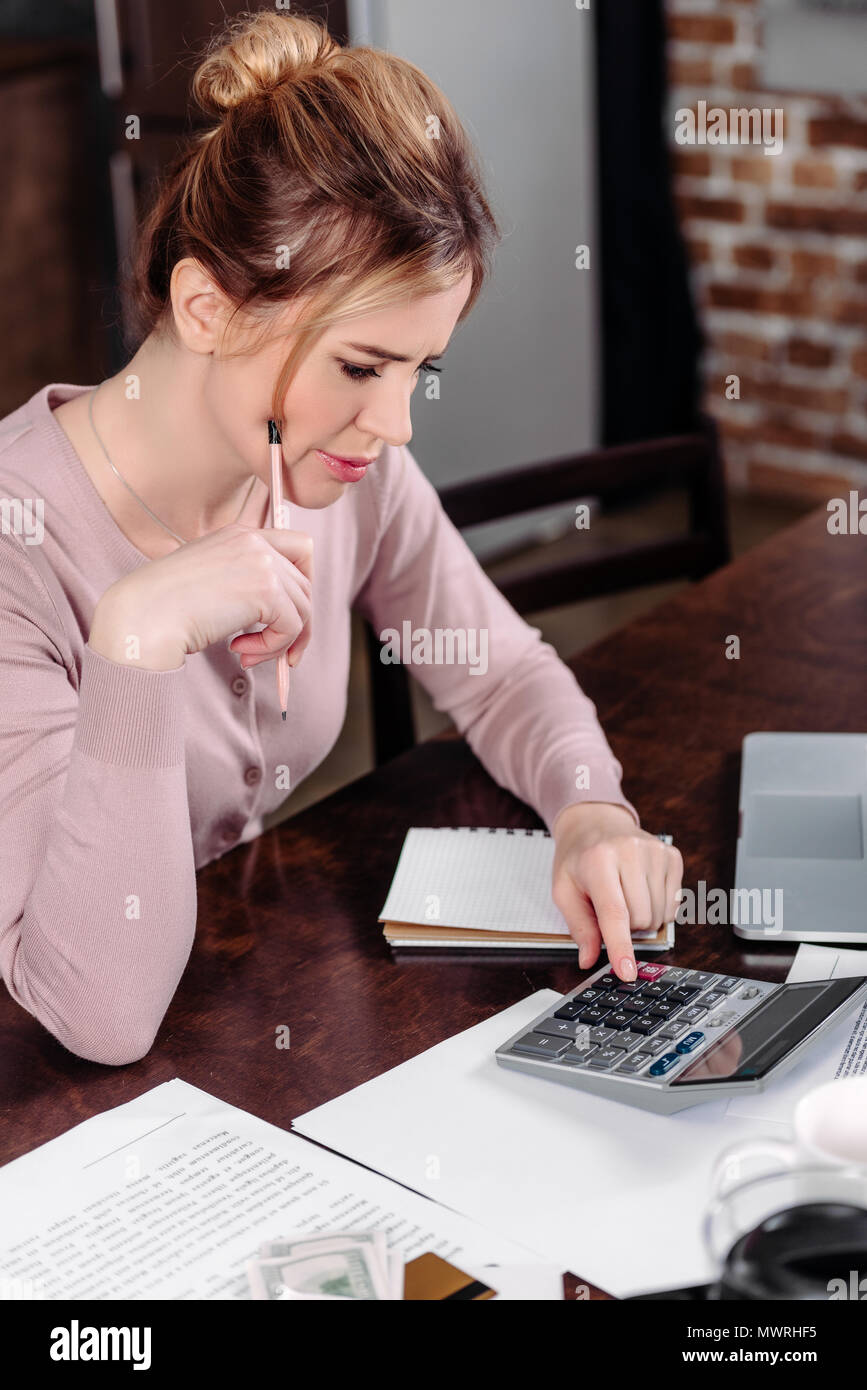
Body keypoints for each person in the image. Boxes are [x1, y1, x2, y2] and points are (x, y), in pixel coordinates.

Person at [0, 11, 682, 1066]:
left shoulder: (334, 470)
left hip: (231, 1019)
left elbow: (499, 675)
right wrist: (135, 634)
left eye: (422, 371)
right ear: (208, 307)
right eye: (363, 368)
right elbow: (100, 1007)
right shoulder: (18, 544)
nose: (399, 425)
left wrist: (590, 807)